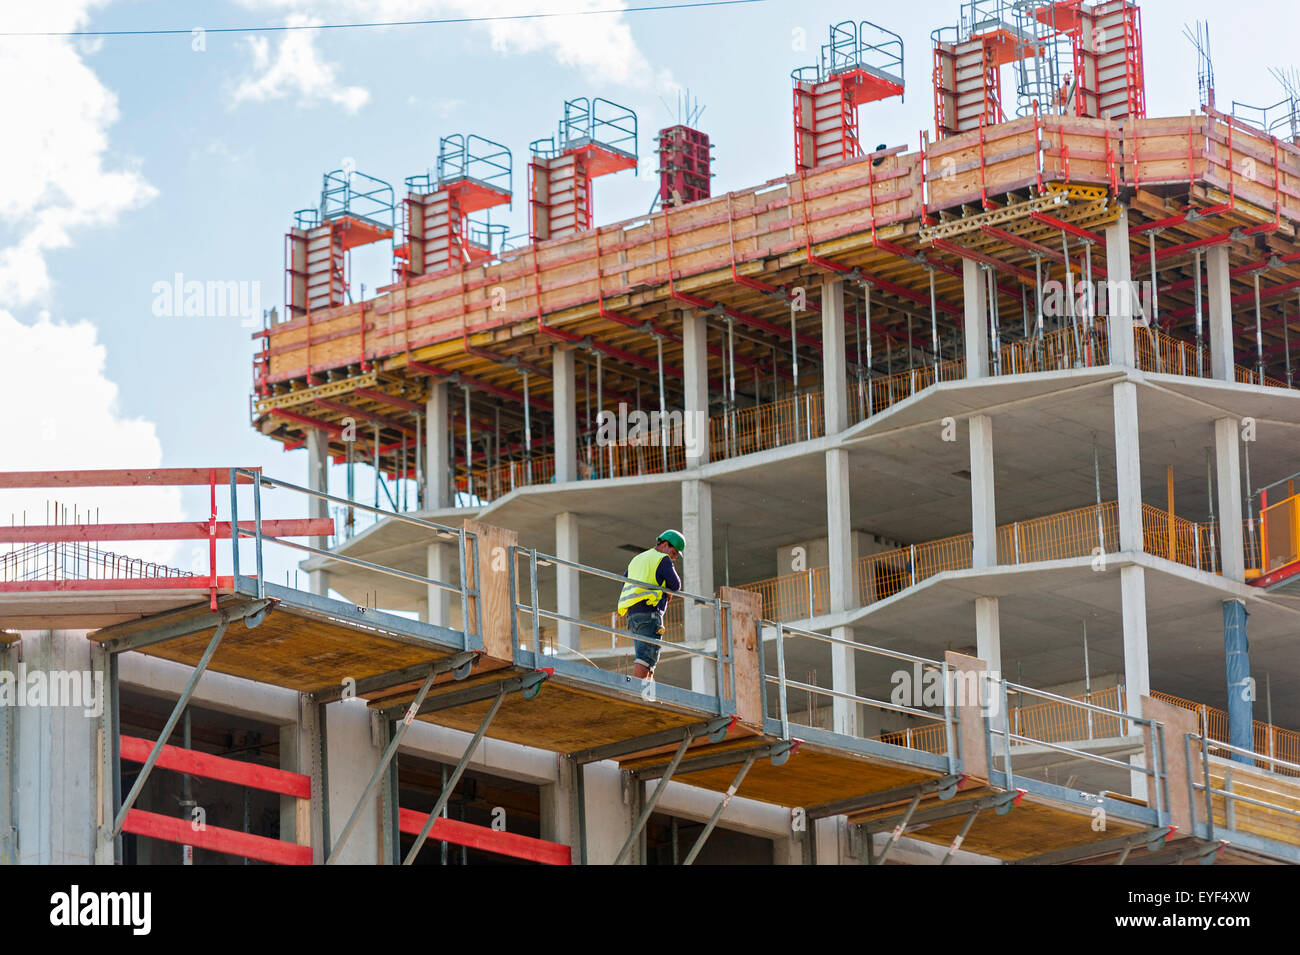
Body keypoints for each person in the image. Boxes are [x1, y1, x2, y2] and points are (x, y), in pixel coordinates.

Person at [616, 530, 684, 680]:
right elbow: (676, 585)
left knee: (648, 656)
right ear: (665, 545)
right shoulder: (662, 559)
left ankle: (647, 694)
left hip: (633, 616)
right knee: (646, 657)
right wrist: (666, 591)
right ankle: (640, 693)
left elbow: (625, 582)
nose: (673, 558)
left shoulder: (637, 559)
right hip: (649, 613)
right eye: (674, 553)